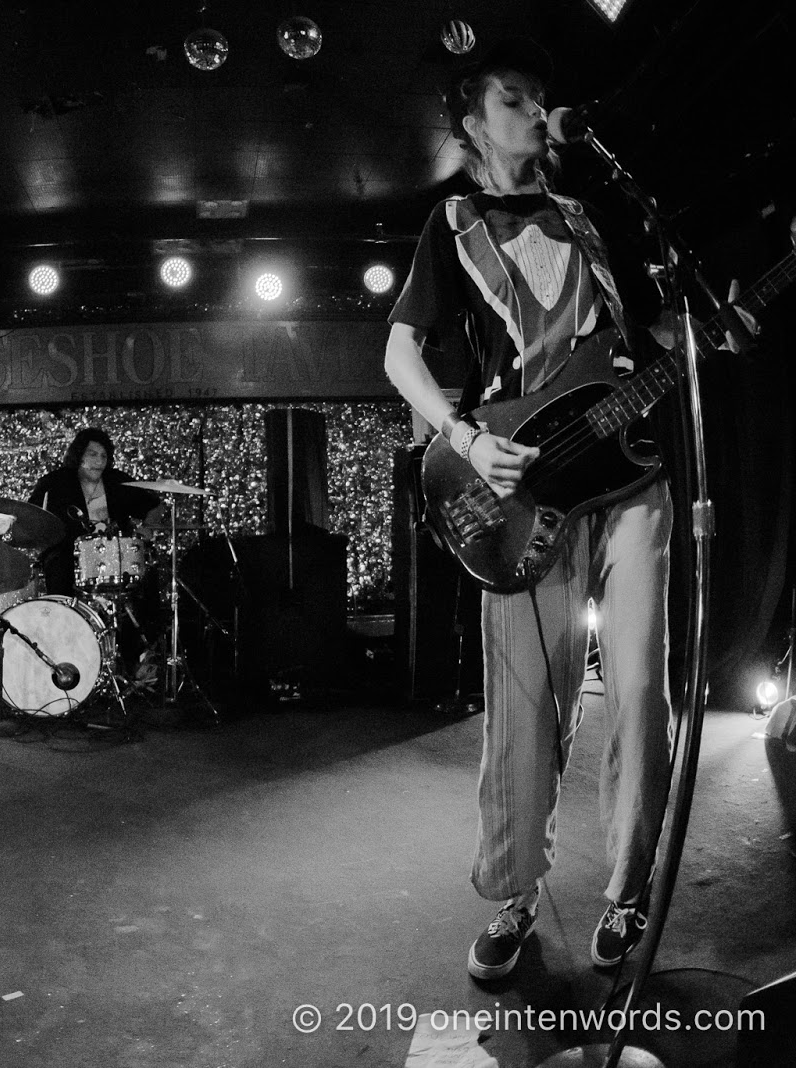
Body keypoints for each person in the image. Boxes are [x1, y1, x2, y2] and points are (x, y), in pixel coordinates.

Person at [383, 39, 748, 983]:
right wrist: (463, 437)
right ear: (472, 124)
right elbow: (401, 356)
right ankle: (512, 896)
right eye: (515, 99)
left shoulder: (596, 215)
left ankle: (628, 896)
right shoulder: (451, 224)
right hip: (522, 490)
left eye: (543, 97)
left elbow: (647, 334)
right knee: (527, 706)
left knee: (638, 690)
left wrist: (707, 334)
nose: (537, 110)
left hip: (631, 482)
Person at [27, 428, 160, 598]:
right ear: (79, 455)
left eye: (103, 456)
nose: (99, 461)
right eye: (92, 454)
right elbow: (31, 516)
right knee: (58, 565)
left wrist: (147, 528)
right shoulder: (55, 483)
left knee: (147, 572)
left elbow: (155, 506)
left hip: (116, 555)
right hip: (69, 555)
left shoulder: (117, 481)